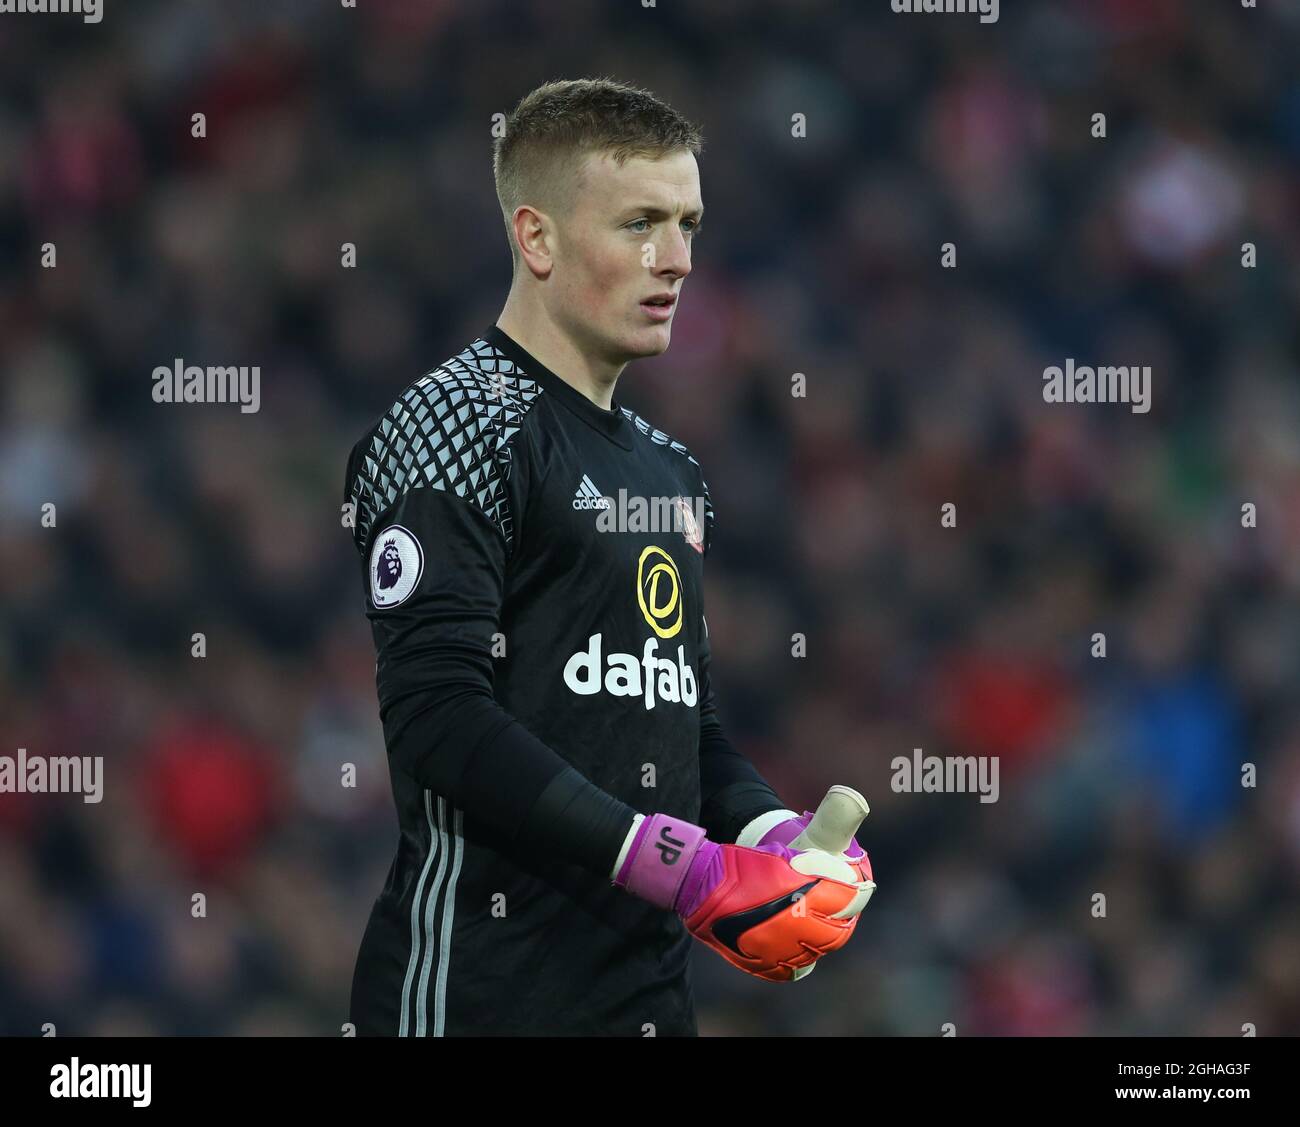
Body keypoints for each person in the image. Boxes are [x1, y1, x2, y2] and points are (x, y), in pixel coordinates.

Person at [343, 77, 870, 1037]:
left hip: (645, 1004)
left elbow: (683, 725)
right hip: (475, 997)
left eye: (689, 224)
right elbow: (437, 717)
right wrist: (685, 867)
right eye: (639, 223)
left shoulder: (672, 472)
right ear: (536, 238)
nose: (676, 260)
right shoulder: (455, 423)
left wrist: (769, 840)